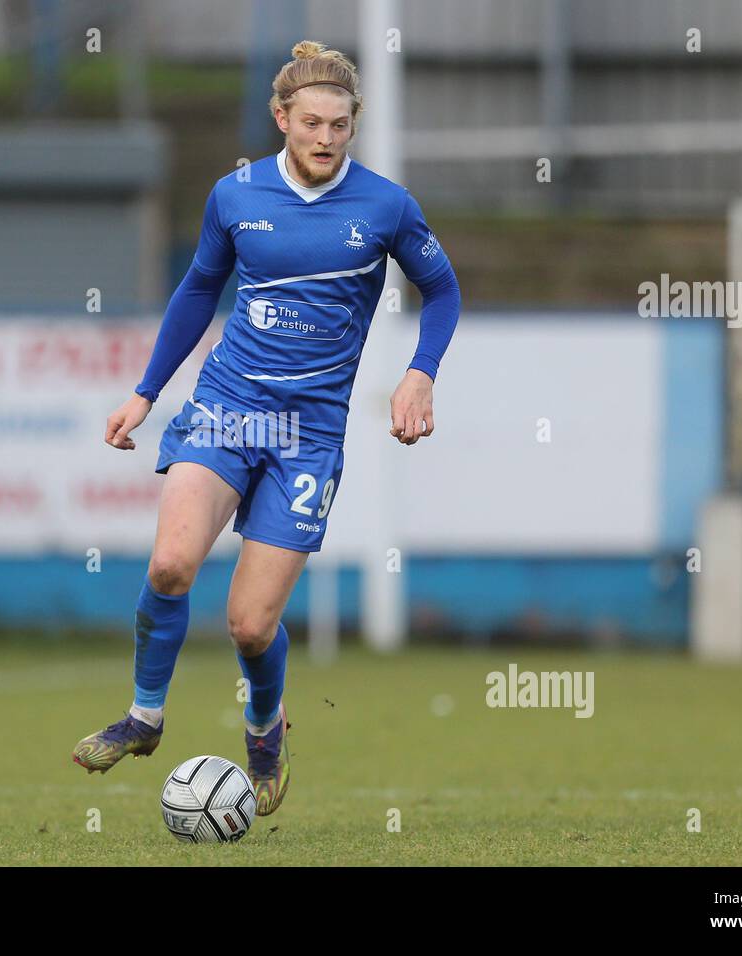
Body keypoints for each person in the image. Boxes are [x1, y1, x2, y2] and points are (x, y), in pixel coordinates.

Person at [72, 40, 461, 817]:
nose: (325, 138)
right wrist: (146, 392)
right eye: (310, 122)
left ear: (355, 126)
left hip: (308, 435)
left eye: (340, 126)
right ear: (281, 118)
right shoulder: (236, 195)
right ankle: (145, 719)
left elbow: (442, 291)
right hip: (224, 407)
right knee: (171, 565)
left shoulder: (385, 206)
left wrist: (421, 371)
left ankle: (264, 728)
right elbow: (195, 293)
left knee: (251, 626)